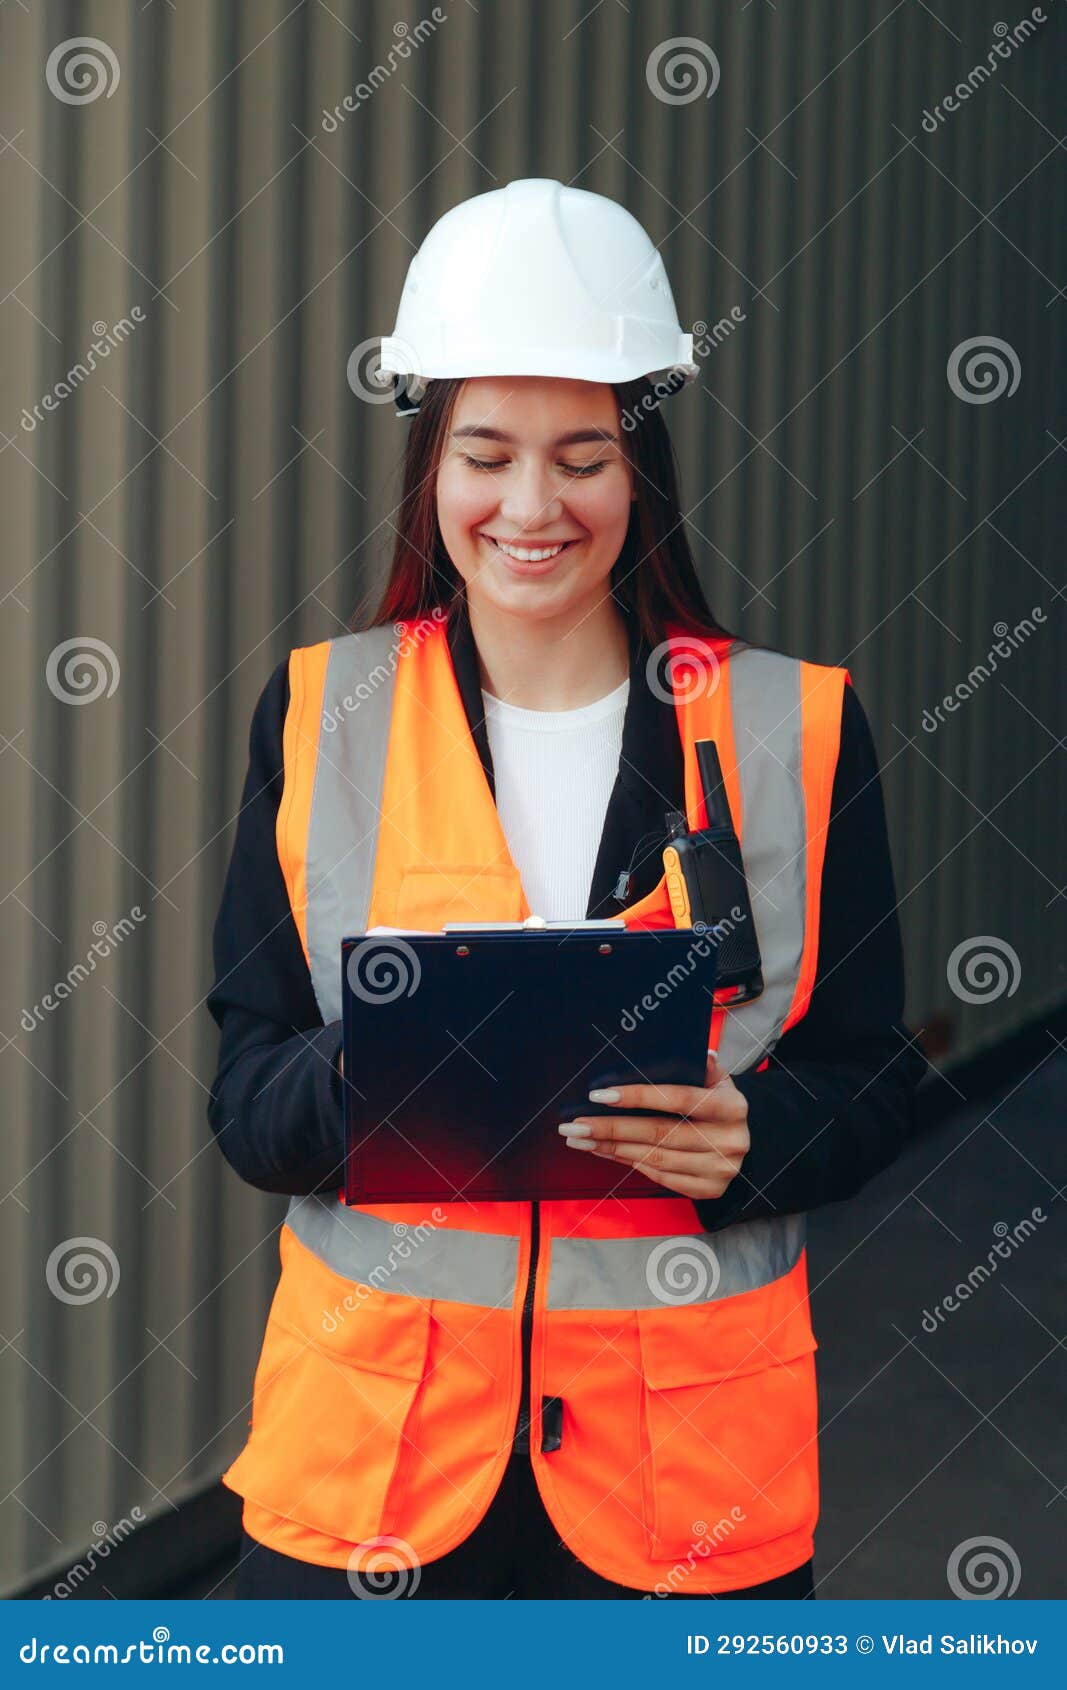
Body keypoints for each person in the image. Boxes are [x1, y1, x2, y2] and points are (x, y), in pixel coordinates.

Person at [207, 179, 928, 1600]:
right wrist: (381, 1073)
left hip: (679, 1491)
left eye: (582, 456)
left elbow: (873, 1075)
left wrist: (750, 1136)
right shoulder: (322, 716)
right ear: (431, 466)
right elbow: (248, 1100)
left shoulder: (794, 731)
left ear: (640, 468)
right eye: (486, 452)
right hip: (379, 1482)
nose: (531, 506)